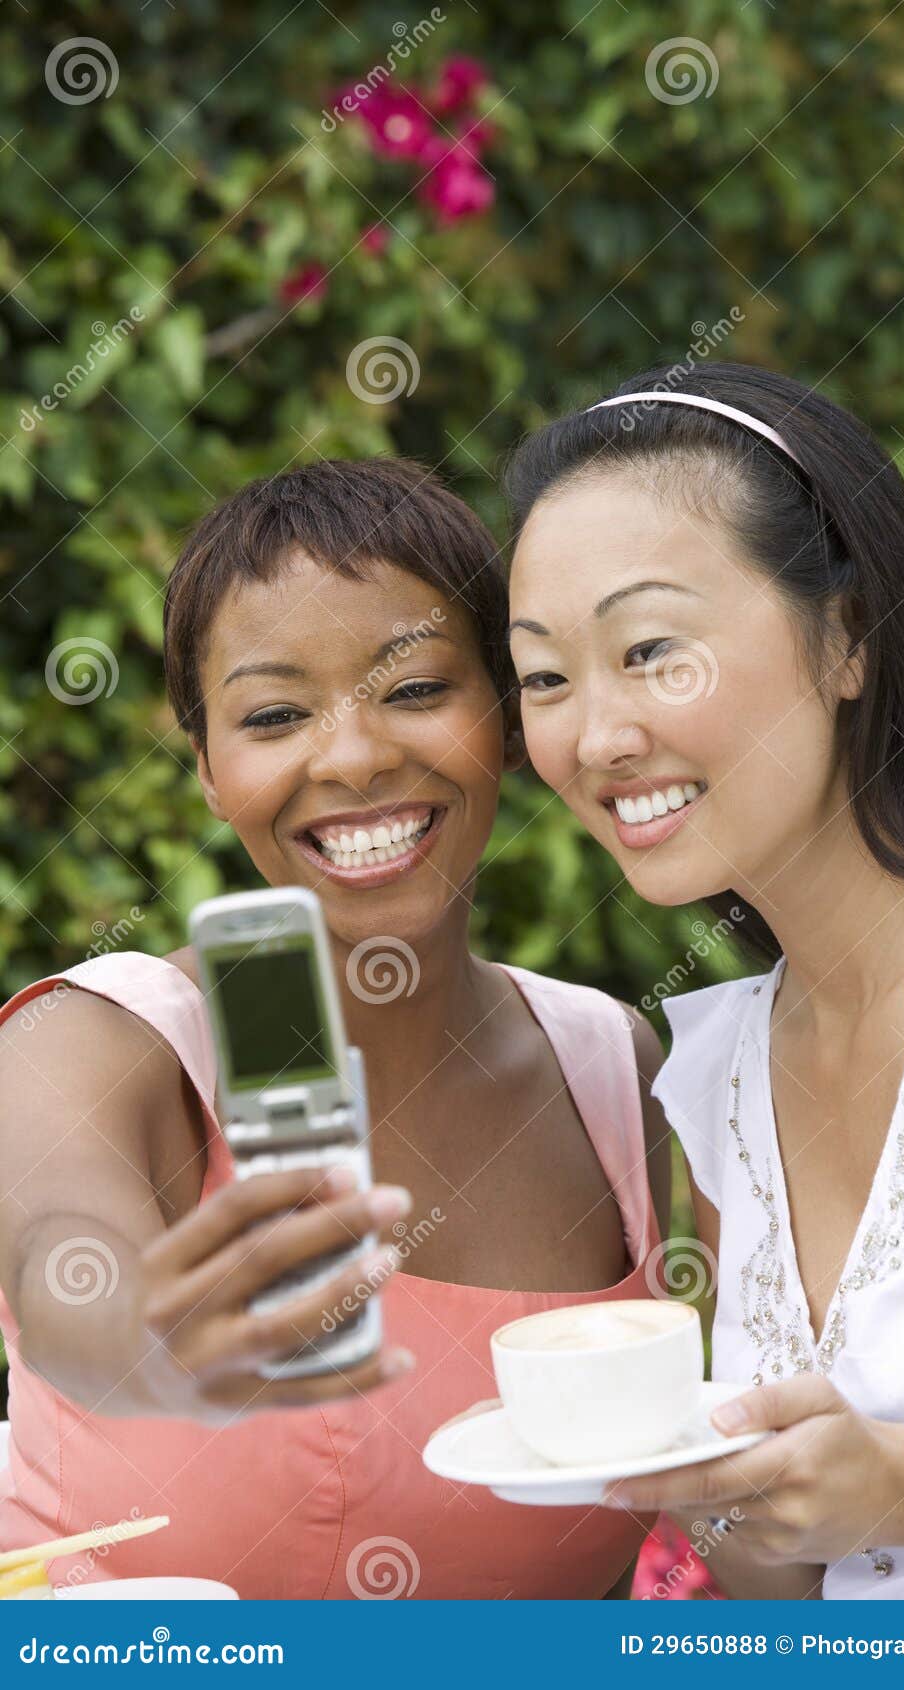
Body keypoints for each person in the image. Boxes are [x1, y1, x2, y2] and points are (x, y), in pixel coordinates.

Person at [0, 458, 671, 1599]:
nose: (352, 755)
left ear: (508, 715)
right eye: (273, 714)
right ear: (210, 768)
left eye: (413, 690)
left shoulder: (617, 1071)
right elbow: (67, 1278)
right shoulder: (99, 1042)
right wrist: (156, 1343)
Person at [505, 364, 904, 1600]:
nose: (593, 737)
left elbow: (894, 1496)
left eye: (650, 648)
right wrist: (737, 1522)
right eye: (545, 676)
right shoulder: (718, 1080)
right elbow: (799, 1607)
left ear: (847, 636)